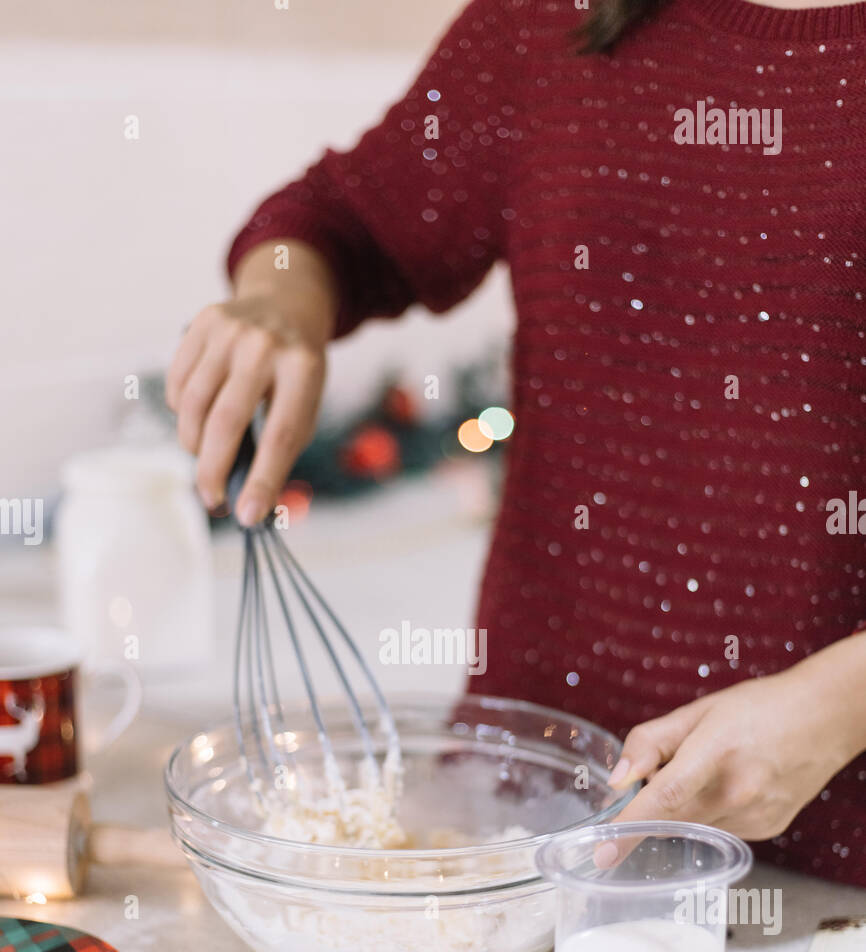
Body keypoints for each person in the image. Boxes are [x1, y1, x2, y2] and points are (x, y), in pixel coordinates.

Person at [166, 0, 866, 885]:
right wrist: (279, 299)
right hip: (514, 848)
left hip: (832, 895)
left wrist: (840, 707)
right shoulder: (547, 19)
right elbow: (340, 219)